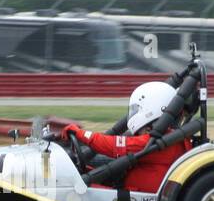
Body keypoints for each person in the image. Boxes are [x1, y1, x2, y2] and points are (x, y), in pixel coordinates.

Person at [63, 81, 191, 193]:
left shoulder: (159, 141)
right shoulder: (169, 137)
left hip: (136, 199)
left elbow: (112, 145)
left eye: (137, 109)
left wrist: (80, 133)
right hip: (134, 193)